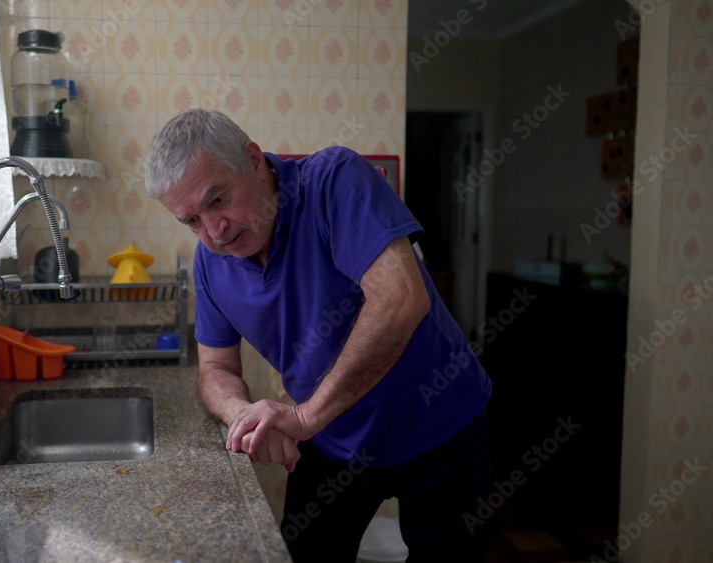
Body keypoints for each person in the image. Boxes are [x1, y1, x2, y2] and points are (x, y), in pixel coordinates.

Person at [145, 108, 493, 562]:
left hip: (441, 427)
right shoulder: (210, 262)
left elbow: (401, 300)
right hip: (333, 440)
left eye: (217, 200)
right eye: (191, 220)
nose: (213, 231)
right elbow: (215, 366)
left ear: (252, 159)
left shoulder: (334, 179)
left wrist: (308, 415)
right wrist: (242, 414)